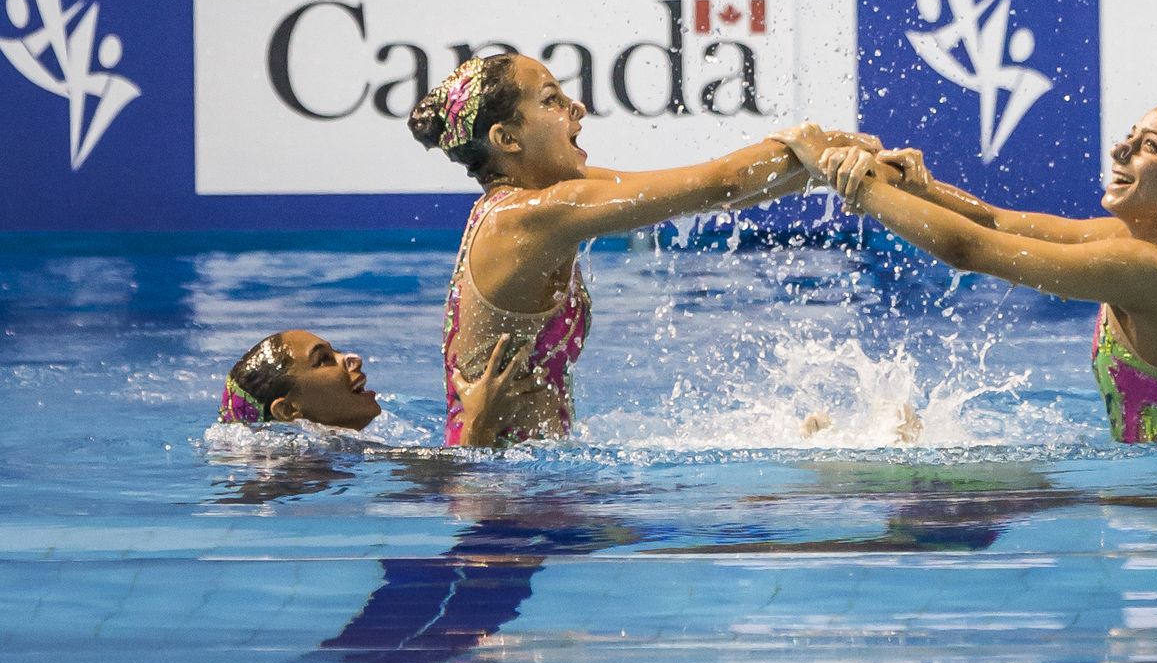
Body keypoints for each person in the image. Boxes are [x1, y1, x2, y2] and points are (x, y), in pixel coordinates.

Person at [782, 101, 1157, 445]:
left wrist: (836, 175)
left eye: (1149, 147)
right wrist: (919, 187)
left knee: (933, 505)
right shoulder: (1130, 243)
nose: (1121, 150)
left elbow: (968, 248)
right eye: (1130, 136)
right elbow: (992, 221)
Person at [409, 51, 826, 444]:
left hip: (532, 482)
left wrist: (842, 167)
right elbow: (724, 180)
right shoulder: (525, 218)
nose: (577, 108)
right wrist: (817, 146)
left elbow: (719, 195)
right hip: (495, 496)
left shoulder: (543, 201)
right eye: (552, 100)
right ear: (508, 138)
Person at [215, 328, 545, 447]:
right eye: (325, 360)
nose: (352, 358)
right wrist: (479, 425)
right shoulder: (307, 464)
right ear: (288, 410)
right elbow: (463, 496)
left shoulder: (332, 450)